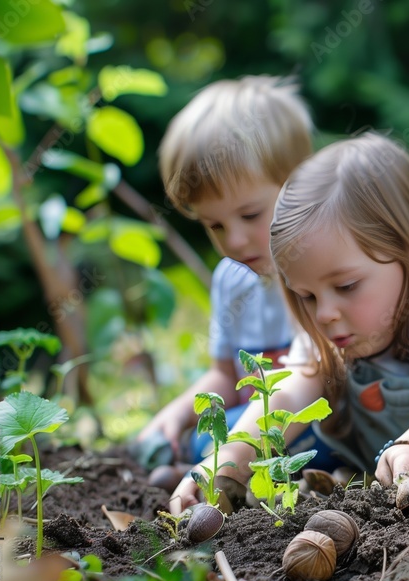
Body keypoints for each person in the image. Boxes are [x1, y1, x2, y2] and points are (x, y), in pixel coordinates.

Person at [168, 132, 409, 514]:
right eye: (306, 295)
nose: (323, 313)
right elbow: (286, 396)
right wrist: (225, 465)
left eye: (346, 285)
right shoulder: (337, 337)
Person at [135, 76, 319, 469]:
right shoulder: (232, 280)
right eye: (214, 225)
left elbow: (322, 380)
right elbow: (224, 376)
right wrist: (180, 411)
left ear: (302, 184)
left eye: (250, 215)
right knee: (197, 434)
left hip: (316, 422)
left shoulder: (323, 271)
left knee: (217, 442)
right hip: (253, 429)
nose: (234, 241)